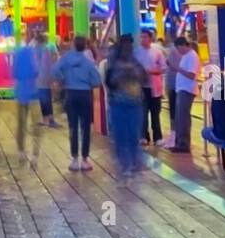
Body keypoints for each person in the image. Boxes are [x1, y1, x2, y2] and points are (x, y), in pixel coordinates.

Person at [55, 35, 102, 170]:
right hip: (85, 95)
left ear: (74, 45)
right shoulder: (87, 61)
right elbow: (96, 80)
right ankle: (85, 159)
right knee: (85, 127)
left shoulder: (66, 59)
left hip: (71, 94)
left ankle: (74, 159)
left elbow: (55, 71)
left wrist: (64, 79)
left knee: (73, 127)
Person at [104, 34, 147, 176]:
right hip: (126, 102)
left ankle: (129, 164)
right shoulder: (123, 62)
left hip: (126, 103)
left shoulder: (130, 62)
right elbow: (110, 82)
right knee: (126, 134)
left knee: (126, 134)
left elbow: (143, 78)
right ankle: (129, 163)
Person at [11, 36, 43, 166]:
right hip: (33, 93)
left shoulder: (18, 53)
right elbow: (36, 71)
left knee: (21, 123)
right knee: (36, 124)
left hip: (20, 92)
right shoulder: (34, 53)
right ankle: (35, 155)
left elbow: (14, 73)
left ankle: (21, 151)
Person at [171, 37, 200, 152]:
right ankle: (179, 143)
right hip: (182, 89)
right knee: (179, 117)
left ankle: (183, 144)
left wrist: (177, 68)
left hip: (187, 90)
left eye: (178, 49)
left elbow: (192, 75)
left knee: (183, 117)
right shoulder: (186, 56)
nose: (179, 51)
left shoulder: (192, 56)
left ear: (183, 45)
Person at [136, 30, 164, 146]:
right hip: (141, 87)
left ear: (150, 38)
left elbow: (163, 68)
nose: (143, 39)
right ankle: (143, 136)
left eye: (145, 37)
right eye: (141, 37)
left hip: (154, 88)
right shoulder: (136, 52)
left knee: (155, 113)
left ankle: (158, 137)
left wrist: (152, 71)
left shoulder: (157, 52)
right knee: (142, 112)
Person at [35, 33, 58, 128]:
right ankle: (50, 119)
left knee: (42, 99)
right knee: (47, 98)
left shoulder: (35, 49)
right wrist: (50, 77)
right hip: (44, 77)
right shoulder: (45, 49)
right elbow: (46, 64)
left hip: (38, 78)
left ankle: (44, 119)